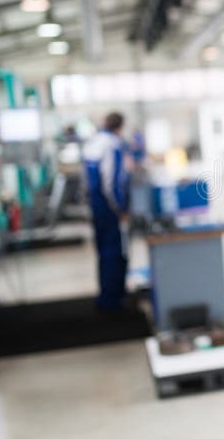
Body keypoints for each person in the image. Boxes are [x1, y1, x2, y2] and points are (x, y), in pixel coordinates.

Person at [83, 112, 131, 310]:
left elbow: (86, 182)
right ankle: (113, 299)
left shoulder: (92, 143)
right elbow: (112, 182)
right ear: (119, 127)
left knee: (103, 253)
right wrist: (120, 208)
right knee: (114, 253)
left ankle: (105, 295)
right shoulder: (113, 145)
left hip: (96, 207)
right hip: (109, 210)